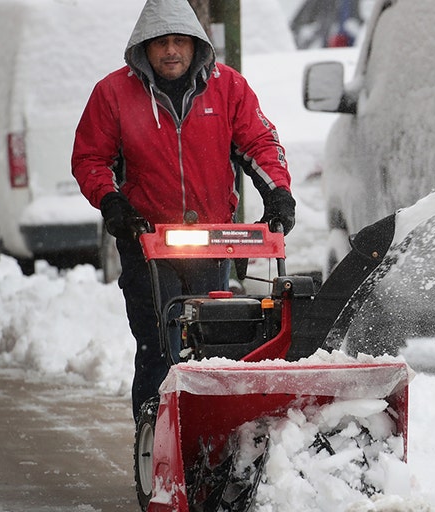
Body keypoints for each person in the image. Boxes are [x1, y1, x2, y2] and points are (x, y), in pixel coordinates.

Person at [71, 0, 295, 420]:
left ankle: (210, 432)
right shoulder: (114, 94)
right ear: (144, 47)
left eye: (179, 41)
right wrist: (113, 202)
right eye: (160, 43)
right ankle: (154, 439)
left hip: (213, 242)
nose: (170, 51)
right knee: (159, 348)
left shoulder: (228, 88)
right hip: (146, 243)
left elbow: (259, 143)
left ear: (195, 44)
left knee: (217, 344)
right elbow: (90, 159)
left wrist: (278, 194)